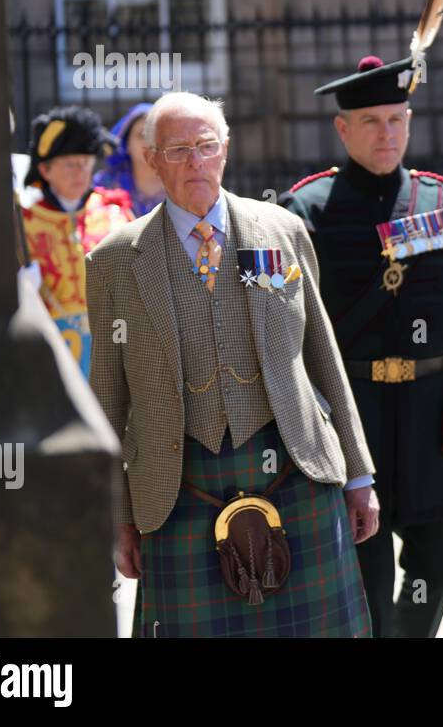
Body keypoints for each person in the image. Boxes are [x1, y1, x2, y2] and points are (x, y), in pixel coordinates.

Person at [86, 91, 378, 637]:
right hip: (178, 486)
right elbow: (107, 397)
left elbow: (321, 352)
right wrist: (118, 513)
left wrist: (358, 471)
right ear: (151, 160)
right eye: (177, 150)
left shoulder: (278, 233)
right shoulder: (114, 262)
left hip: (295, 466)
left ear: (226, 150)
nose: (196, 161)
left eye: (206, 146)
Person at [280, 55, 443, 638]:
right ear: (342, 128)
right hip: (350, 419)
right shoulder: (305, 213)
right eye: (371, 121)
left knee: (435, 572)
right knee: (362, 584)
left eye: (398, 119)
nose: (387, 134)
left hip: (431, 419)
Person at [21, 105, 134, 375]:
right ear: (46, 170)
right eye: (71, 164)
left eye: (86, 163)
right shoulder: (25, 224)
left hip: (112, 340)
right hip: (51, 345)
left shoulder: (115, 213)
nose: (80, 172)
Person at [93, 102, 165, 216]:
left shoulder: (182, 182)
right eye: (142, 135)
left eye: (157, 134)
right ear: (127, 144)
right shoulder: (105, 183)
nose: (150, 141)